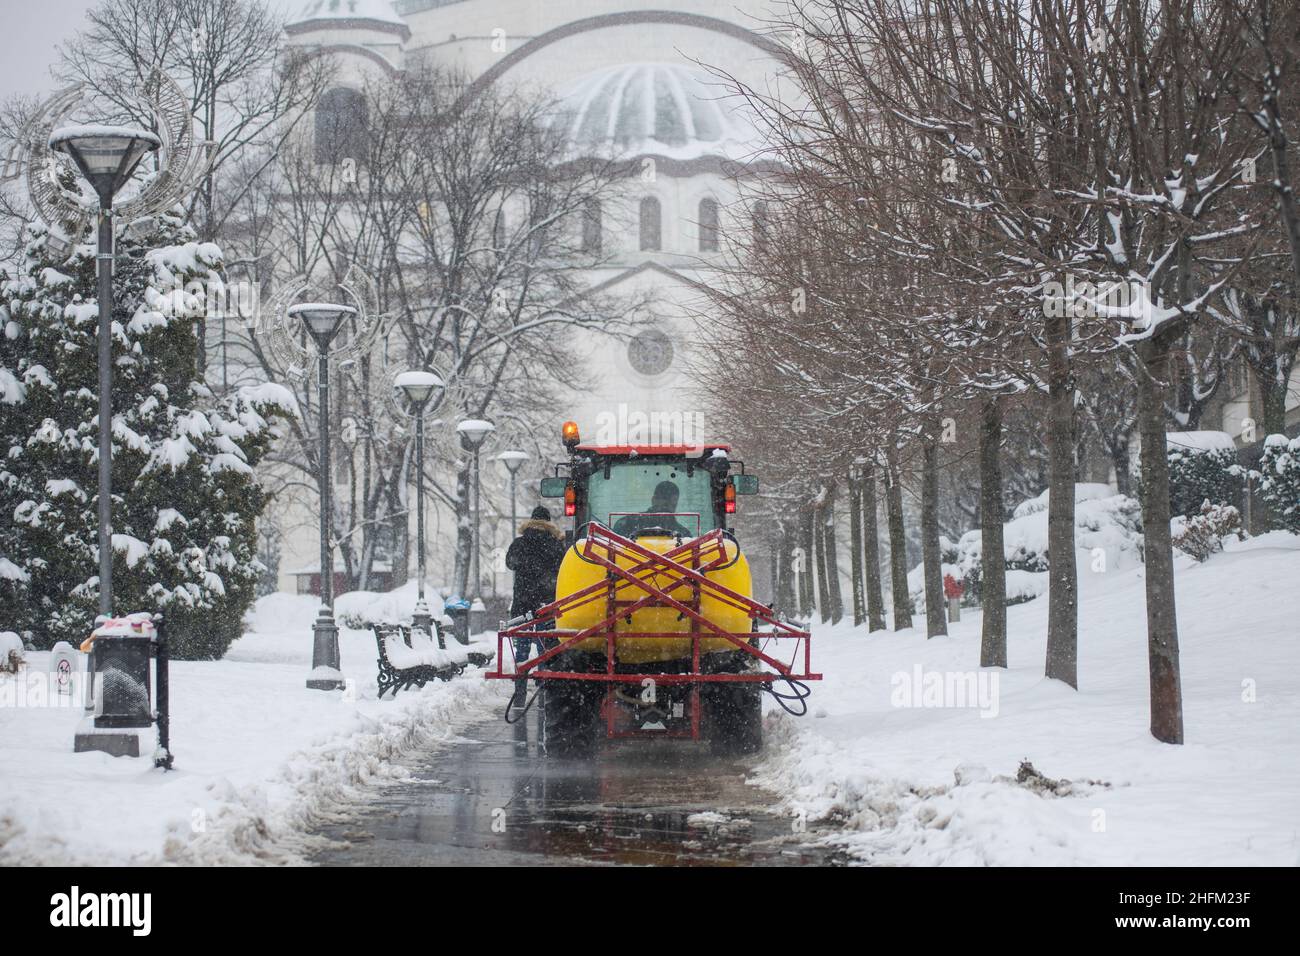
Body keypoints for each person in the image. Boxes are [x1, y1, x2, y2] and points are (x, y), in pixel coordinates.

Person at [506, 506, 567, 692]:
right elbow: (563, 568)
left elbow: (510, 563)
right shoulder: (556, 544)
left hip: (523, 601)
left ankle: (521, 682)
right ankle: (543, 683)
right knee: (544, 646)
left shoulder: (519, 543)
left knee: (523, 645)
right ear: (549, 523)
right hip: (546, 603)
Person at [612, 480, 693, 538]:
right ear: (654, 499)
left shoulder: (626, 523)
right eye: (665, 500)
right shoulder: (684, 535)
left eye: (673, 502)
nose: (668, 505)